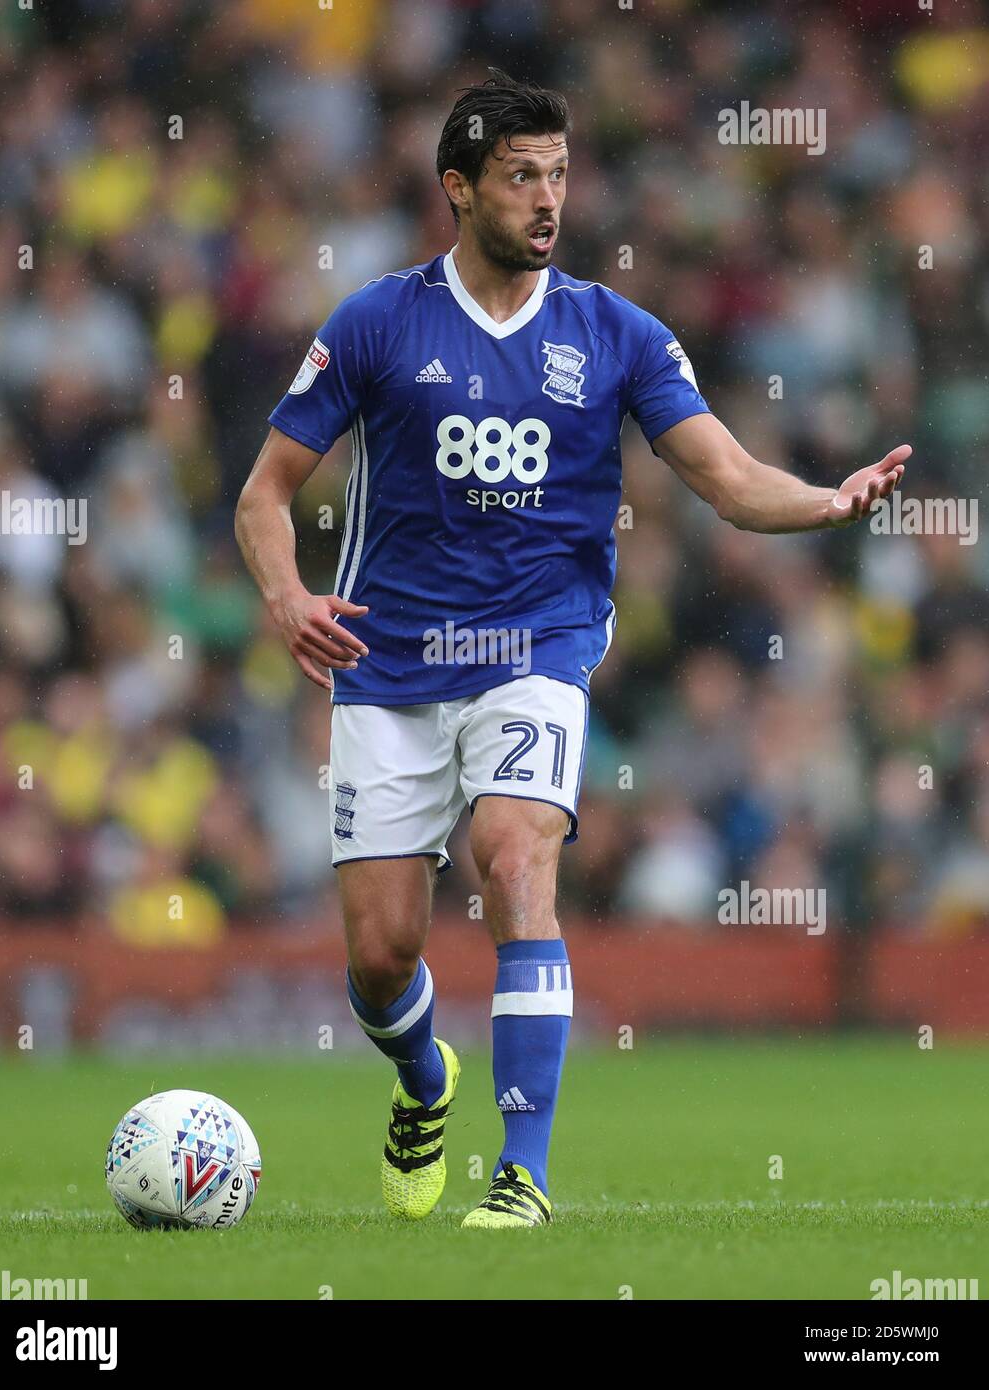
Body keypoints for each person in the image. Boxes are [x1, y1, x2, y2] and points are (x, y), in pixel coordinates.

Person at [235, 69, 909, 1229]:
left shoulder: (619, 333)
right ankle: (423, 1081)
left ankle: (524, 1173)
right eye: (521, 177)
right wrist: (289, 593)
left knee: (516, 858)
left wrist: (829, 502)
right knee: (385, 956)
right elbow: (263, 493)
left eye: (559, 173)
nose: (549, 198)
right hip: (387, 665)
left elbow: (732, 482)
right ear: (460, 187)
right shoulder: (377, 323)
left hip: (534, 649)